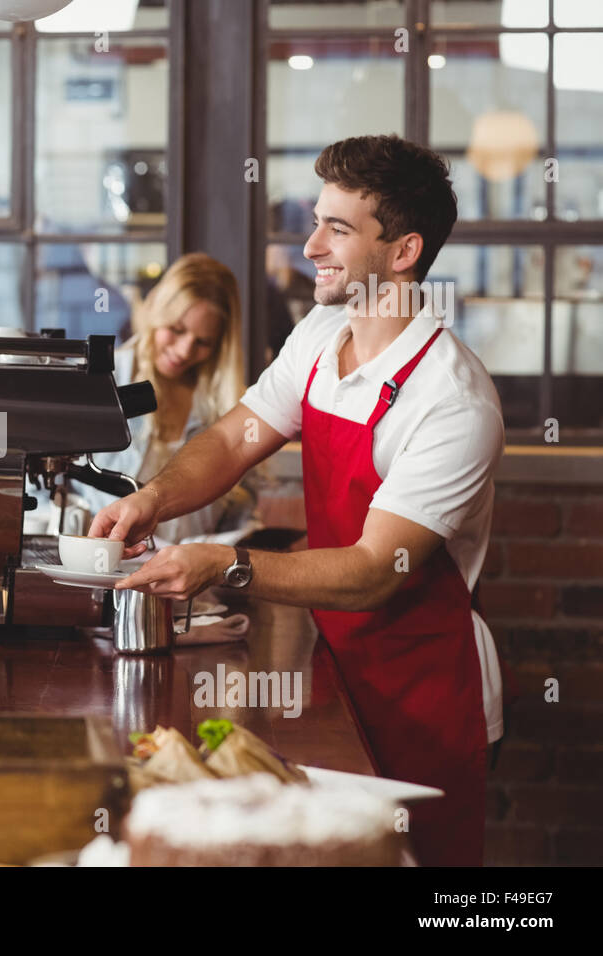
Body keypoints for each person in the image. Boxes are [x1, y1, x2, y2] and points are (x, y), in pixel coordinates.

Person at [92, 135, 507, 867]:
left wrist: (223, 563)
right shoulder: (321, 333)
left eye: (337, 229)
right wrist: (150, 498)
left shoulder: (452, 400)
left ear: (403, 251)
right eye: (316, 221)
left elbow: (376, 570)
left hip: (426, 691)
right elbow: (232, 439)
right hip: (334, 660)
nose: (310, 245)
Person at [51, 253, 259, 546]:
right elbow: (55, 478)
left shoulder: (226, 405)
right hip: (108, 564)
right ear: (156, 315)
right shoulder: (104, 384)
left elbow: (241, 506)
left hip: (194, 577)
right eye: (176, 330)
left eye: (203, 342)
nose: (185, 350)